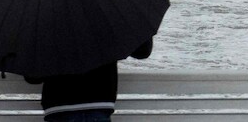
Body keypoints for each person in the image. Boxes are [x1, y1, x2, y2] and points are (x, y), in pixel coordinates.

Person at [25, 39, 153, 122]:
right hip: (99, 101)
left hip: (59, 106)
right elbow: (142, 51)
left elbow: (33, 78)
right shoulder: (107, 10)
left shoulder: (46, 18)